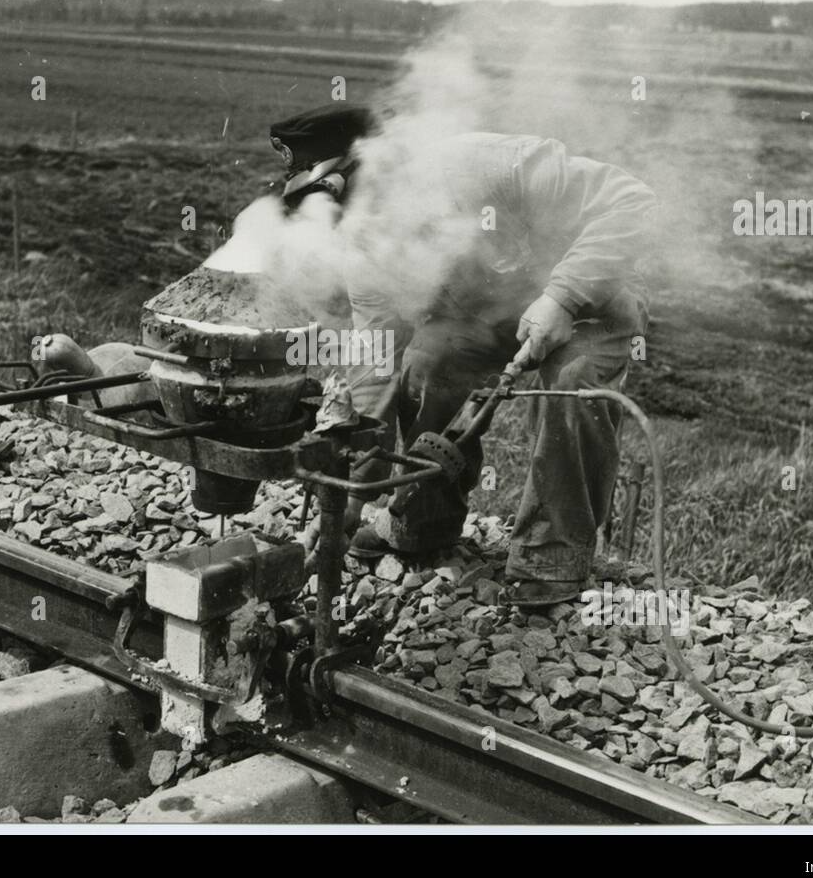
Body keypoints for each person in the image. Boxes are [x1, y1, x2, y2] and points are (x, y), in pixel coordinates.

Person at [273, 103, 656, 605]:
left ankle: (552, 557)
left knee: (573, 382)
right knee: (425, 367)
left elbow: (632, 200)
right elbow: (374, 371)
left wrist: (562, 296)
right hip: (483, 319)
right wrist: (345, 496)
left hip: (589, 309)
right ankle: (422, 525)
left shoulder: (493, 165)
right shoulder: (367, 248)